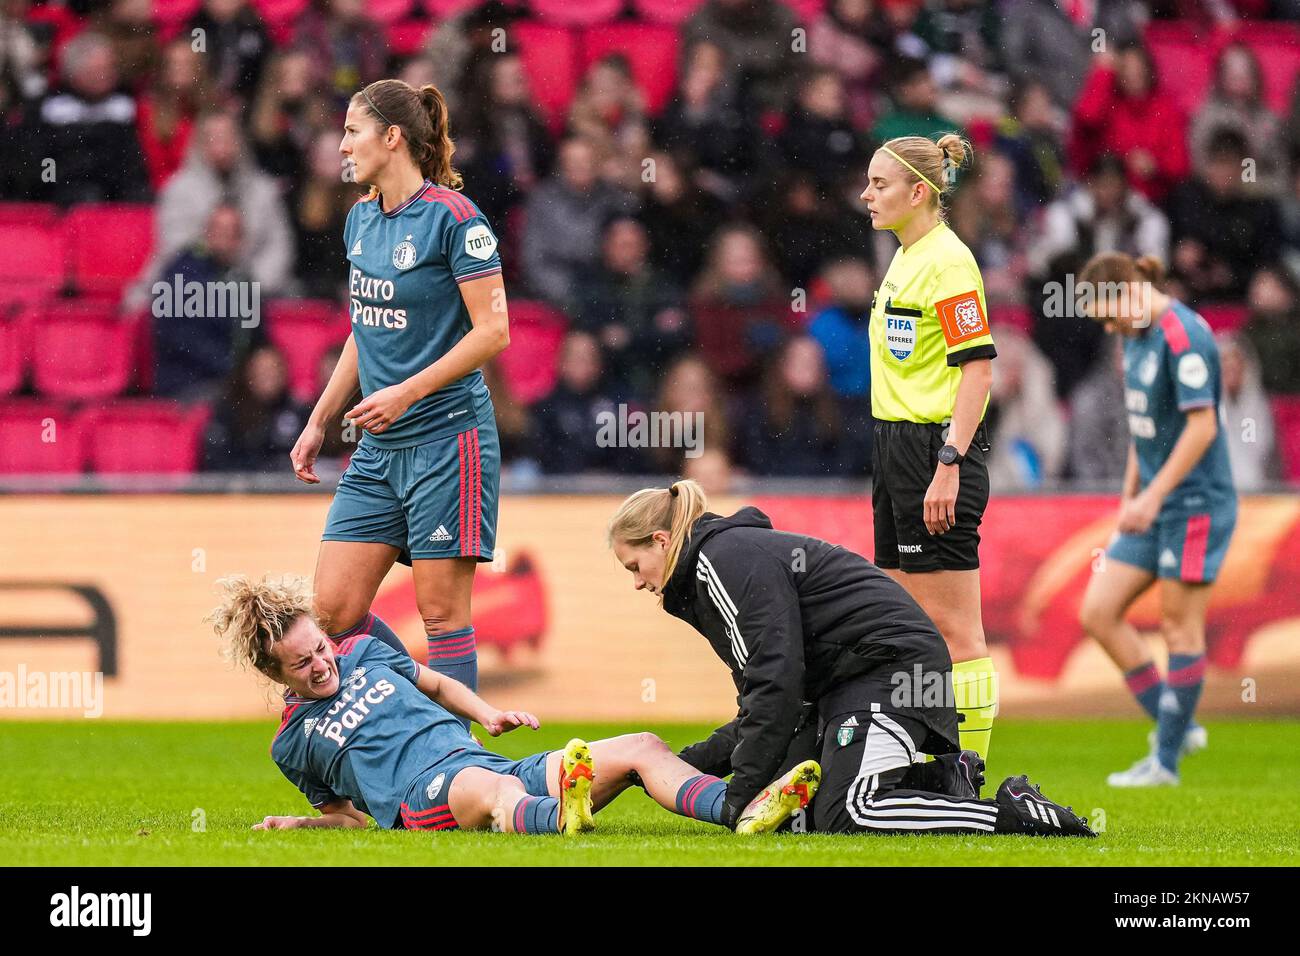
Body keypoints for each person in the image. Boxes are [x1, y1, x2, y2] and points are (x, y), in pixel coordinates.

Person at [607, 480, 1095, 837]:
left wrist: (736, 796)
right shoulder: (719, 564)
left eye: (634, 566)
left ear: (662, 541)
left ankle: (1009, 814)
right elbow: (773, 698)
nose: (636, 582)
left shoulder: (723, 561)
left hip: (891, 670)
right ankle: (941, 780)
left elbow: (776, 684)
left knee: (850, 813)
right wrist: (676, 766)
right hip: (858, 680)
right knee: (793, 816)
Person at [209, 574, 815, 835]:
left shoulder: (366, 650)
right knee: (494, 792)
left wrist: (487, 714)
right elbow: (351, 818)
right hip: (427, 797)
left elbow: (440, 686)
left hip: (481, 763)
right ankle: (560, 817)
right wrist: (300, 823)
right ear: (273, 673)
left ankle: (741, 810)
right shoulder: (292, 744)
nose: (322, 665)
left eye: (320, 648)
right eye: (303, 665)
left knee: (642, 748)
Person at [289, 79, 509, 728]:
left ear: (393, 138)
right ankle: (414, 709)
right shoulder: (360, 218)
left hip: (450, 440)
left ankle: (452, 759)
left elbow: (494, 331)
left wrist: (407, 391)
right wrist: (318, 420)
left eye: (353, 131)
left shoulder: (456, 219)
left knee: (442, 615)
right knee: (331, 609)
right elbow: (366, 328)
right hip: (380, 447)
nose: (343, 144)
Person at [860, 133, 999, 759]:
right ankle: (916, 761)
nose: (866, 195)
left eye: (879, 184)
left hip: (931, 450)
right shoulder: (907, 254)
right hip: (894, 447)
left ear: (920, 192)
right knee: (901, 630)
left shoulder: (947, 262)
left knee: (955, 633)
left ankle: (969, 773)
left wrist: (950, 461)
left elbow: (978, 369)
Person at [1076, 252, 1237, 788]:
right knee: (1098, 612)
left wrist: (1154, 496)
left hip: (1194, 505)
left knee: (1177, 626)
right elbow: (1145, 427)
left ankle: (1164, 762)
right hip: (1153, 502)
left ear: (1129, 291)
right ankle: (1178, 721)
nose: (1107, 327)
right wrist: (1130, 493)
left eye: (1108, 313)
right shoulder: (1133, 337)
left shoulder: (1184, 336)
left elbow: (1202, 429)